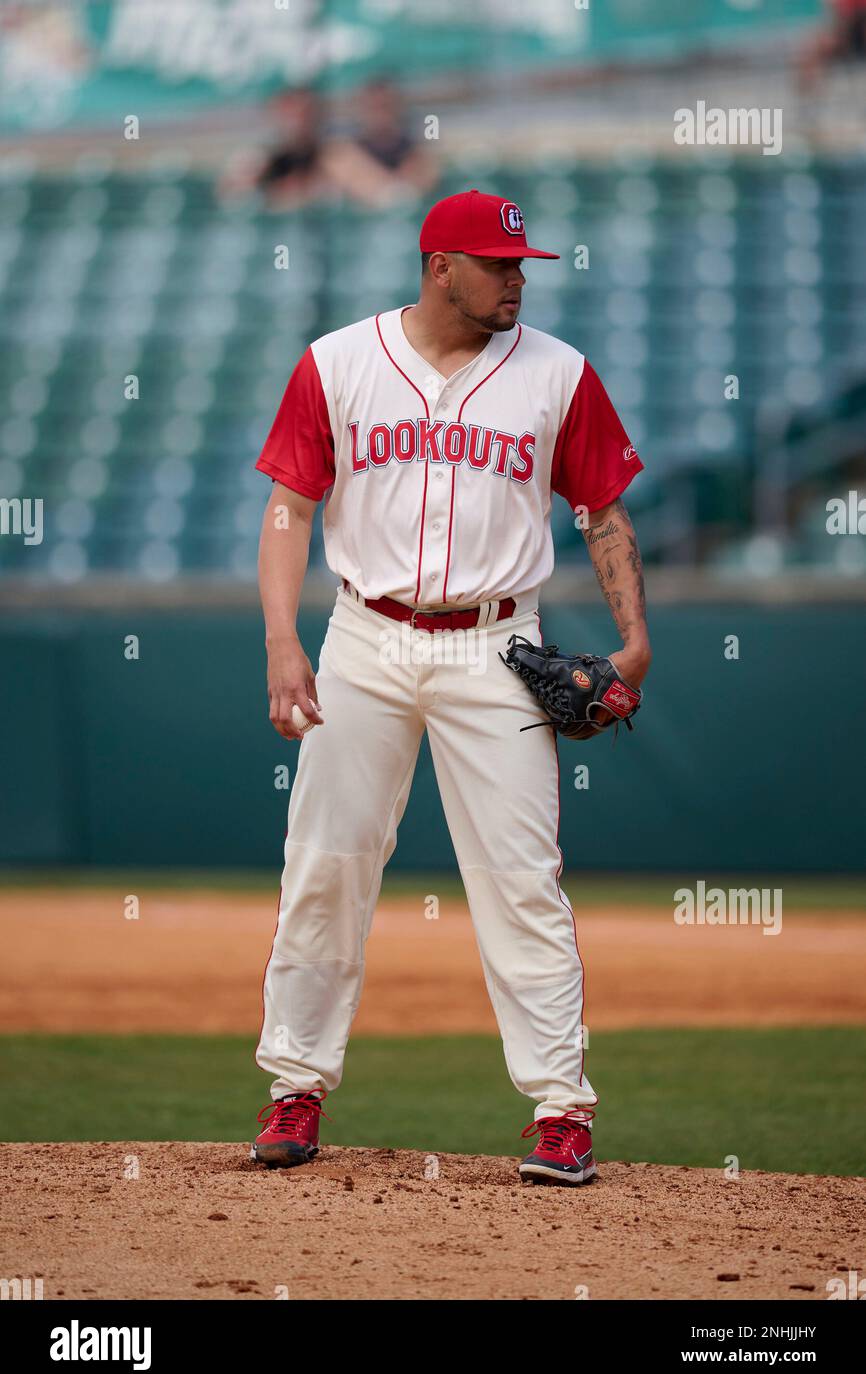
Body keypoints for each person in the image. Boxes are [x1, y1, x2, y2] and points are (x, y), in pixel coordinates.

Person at [250, 189, 651, 1186]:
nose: (518, 278)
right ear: (440, 266)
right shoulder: (337, 362)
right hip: (362, 637)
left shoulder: (558, 373)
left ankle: (560, 1109)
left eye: (521, 264)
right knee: (325, 864)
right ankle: (294, 1088)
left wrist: (633, 642)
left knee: (521, 880)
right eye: (500, 264)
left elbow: (602, 511)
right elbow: (288, 509)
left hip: (497, 646)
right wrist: (279, 640)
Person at [321, 76, 437, 207]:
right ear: (362, 110)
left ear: (398, 107)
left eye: (385, 106)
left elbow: (421, 182)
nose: (380, 114)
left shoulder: (418, 154)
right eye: (374, 107)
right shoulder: (343, 156)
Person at [219, 87, 325, 209]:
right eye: (292, 115)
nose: (298, 122)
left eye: (305, 114)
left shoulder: (330, 156)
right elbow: (230, 193)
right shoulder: (260, 158)